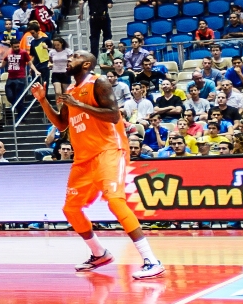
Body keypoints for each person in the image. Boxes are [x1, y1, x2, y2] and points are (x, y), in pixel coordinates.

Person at [33, 52, 163, 278]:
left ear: (85, 64)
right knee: (71, 210)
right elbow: (62, 124)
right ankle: (99, 253)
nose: (69, 59)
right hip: (83, 157)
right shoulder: (71, 91)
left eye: (74, 56)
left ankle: (151, 260)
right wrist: (43, 100)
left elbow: (113, 116)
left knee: (115, 201)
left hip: (109, 150)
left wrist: (79, 105)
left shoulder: (98, 82)